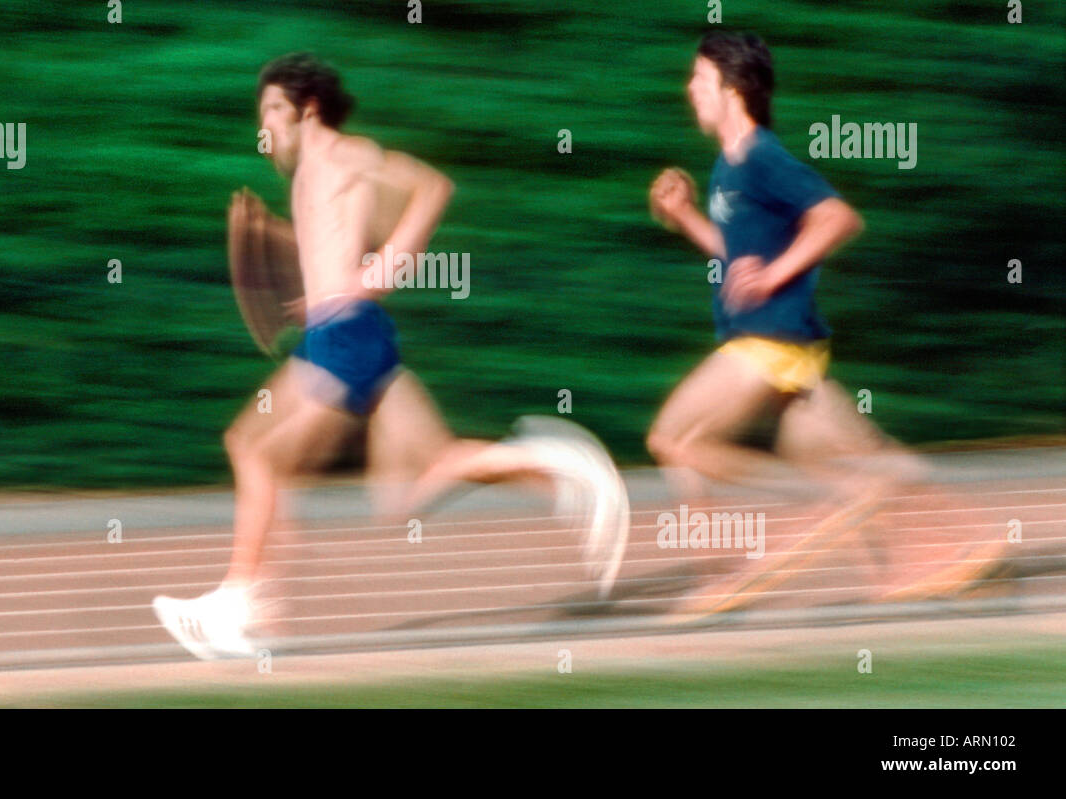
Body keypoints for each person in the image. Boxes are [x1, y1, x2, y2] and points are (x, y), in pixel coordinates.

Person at [153, 53, 628, 658]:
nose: (264, 126)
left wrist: (388, 264)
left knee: (250, 446)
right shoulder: (307, 176)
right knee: (411, 488)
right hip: (350, 331)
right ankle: (564, 470)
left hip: (347, 335)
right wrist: (272, 238)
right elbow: (326, 245)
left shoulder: (345, 155)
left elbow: (433, 187)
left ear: (309, 108)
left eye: (273, 109)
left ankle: (238, 601)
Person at [647, 32, 928, 613]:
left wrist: (774, 277)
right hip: (784, 344)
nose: (689, 90)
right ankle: (894, 578)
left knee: (674, 440)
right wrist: (684, 219)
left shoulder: (761, 157)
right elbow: (736, 255)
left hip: (768, 342)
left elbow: (838, 218)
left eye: (700, 80)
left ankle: (722, 573)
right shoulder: (729, 165)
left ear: (733, 90)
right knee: (829, 456)